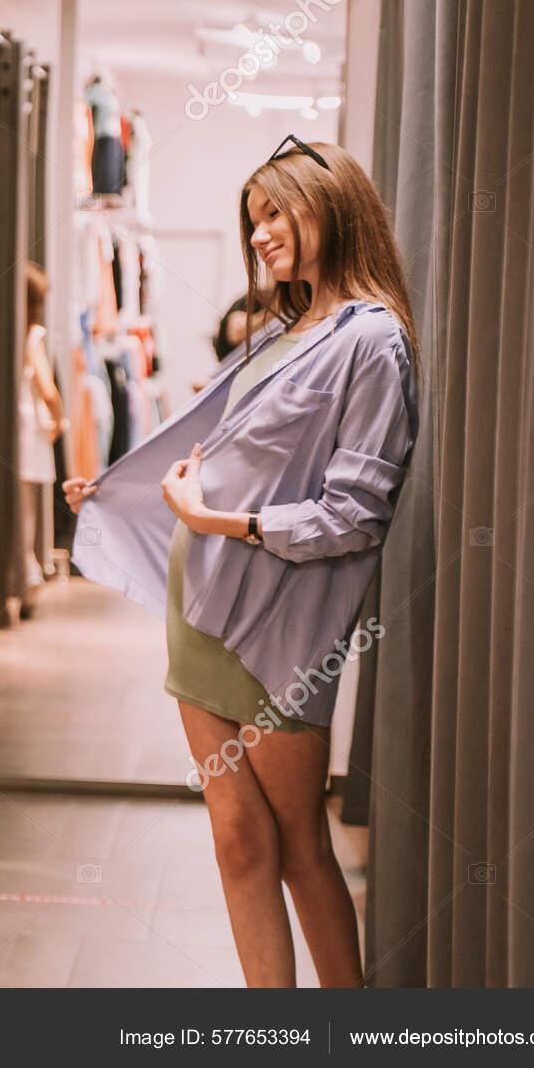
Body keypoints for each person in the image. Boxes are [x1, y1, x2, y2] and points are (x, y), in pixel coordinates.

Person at [62, 137, 419, 988]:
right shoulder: (284, 331)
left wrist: (218, 519)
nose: (259, 234)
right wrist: (121, 489)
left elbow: (354, 514)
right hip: (200, 613)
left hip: (281, 631)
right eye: (252, 219)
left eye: (275, 212)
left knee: (298, 845)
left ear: (331, 207)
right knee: (235, 838)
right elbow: (217, 453)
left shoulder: (374, 340)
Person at [16, 261, 66, 619]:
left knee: (20, 506)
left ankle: (24, 574)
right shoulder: (33, 335)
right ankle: (28, 577)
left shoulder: (9, 333)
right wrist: (59, 417)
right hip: (30, 427)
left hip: (19, 424)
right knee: (27, 510)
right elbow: (47, 388)